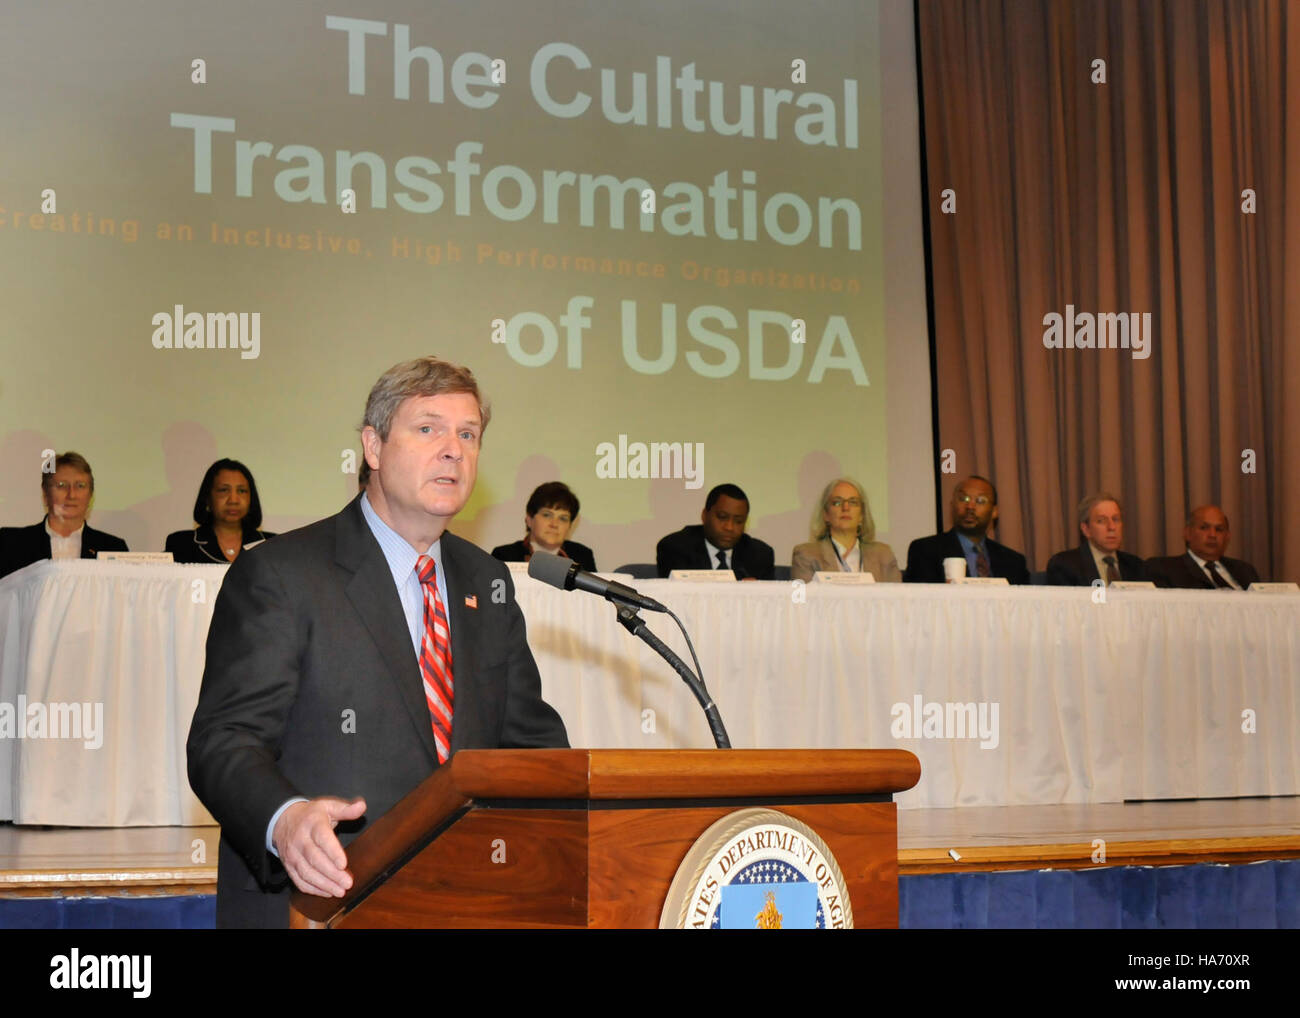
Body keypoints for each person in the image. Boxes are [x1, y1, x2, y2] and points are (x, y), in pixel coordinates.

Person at [187, 356, 569, 928]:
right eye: (428, 428)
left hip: (464, 905)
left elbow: (532, 749)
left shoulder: (486, 580)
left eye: (468, 434)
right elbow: (224, 741)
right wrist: (285, 819)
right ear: (373, 446)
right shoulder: (282, 574)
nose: (453, 449)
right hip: (321, 905)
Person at [0, 451, 128, 578]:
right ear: (45, 494)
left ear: (90, 496)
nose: (71, 495)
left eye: (80, 486)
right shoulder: (10, 543)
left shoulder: (113, 548)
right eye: (61, 485)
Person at [903, 475, 1030, 584]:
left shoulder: (1014, 562)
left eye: (980, 500)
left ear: (994, 512)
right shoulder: (925, 551)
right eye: (963, 499)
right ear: (952, 505)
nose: (970, 506)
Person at [164, 458, 276, 564]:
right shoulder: (181, 544)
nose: (233, 500)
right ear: (208, 498)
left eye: (242, 491)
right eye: (224, 490)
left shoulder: (272, 544)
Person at [656, 483, 775, 580]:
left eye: (739, 521)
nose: (729, 527)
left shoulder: (760, 555)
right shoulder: (675, 548)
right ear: (704, 515)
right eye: (722, 517)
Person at [790, 478, 900, 582]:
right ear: (826, 514)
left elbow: (899, 599)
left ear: (862, 515)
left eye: (853, 502)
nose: (846, 508)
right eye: (837, 502)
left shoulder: (883, 555)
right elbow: (800, 599)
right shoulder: (806, 555)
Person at [1145, 505, 1261, 590]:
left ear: (1227, 536)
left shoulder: (1245, 570)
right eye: (1204, 528)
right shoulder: (1164, 568)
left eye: (1219, 529)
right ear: (1187, 533)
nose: (1212, 535)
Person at [1045, 492, 1147, 585]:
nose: (1111, 527)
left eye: (1116, 519)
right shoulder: (1064, 565)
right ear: (1086, 529)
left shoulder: (1136, 565)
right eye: (1101, 521)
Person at [492, 481, 596, 572]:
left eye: (563, 518)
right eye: (547, 515)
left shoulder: (582, 556)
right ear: (529, 520)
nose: (554, 524)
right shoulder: (503, 556)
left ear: (570, 526)